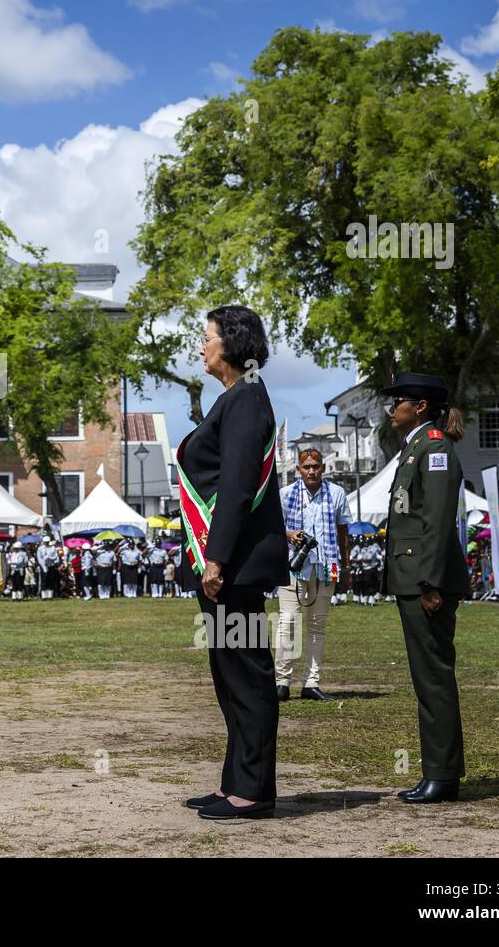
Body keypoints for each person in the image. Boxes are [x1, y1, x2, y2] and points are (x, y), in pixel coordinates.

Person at [177, 304, 288, 820]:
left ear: (232, 343)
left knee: (247, 677)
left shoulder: (246, 399)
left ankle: (255, 790)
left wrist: (216, 558)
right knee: (229, 678)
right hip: (227, 566)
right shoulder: (234, 398)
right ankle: (234, 782)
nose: (202, 346)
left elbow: (239, 487)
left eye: (207, 337)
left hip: (236, 567)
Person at [379, 372, 468, 804]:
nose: (390, 409)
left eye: (397, 402)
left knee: (433, 678)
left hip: (425, 581)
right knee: (426, 677)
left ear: (419, 407)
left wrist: (430, 581)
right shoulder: (415, 447)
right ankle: (438, 771)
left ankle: (443, 775)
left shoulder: (433, 448)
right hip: (413, 578)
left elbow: (436, 520)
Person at [276, 448, 351, 702]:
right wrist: (290, 535)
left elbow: (343, 534)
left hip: (325, 566)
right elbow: (273, 528)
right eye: (306, 467)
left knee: (318, 626)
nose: (311, 471)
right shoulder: (285, 495)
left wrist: (347, 567)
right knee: (288, 623)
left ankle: (311, 682)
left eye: (316, 466)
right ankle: (282, 682)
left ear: (323, 468)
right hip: (293, 568)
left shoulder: (338, 494)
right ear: (298, 469)